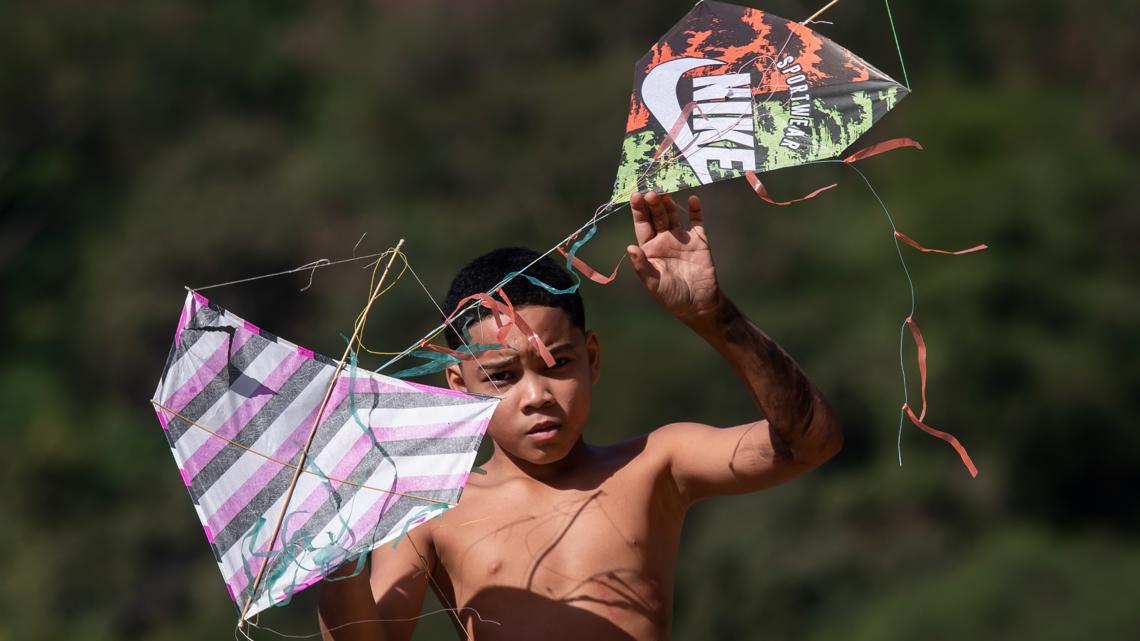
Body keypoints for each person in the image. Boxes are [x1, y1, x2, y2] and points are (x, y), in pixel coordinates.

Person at [318, 191, 843, 640]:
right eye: (502, 375)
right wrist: (329, 542)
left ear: (592, 358)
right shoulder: (431, 512)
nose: (537, 395)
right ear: (459, 386)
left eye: (558, 363)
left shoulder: (654, 465)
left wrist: (713, 315)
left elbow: (811, 441)